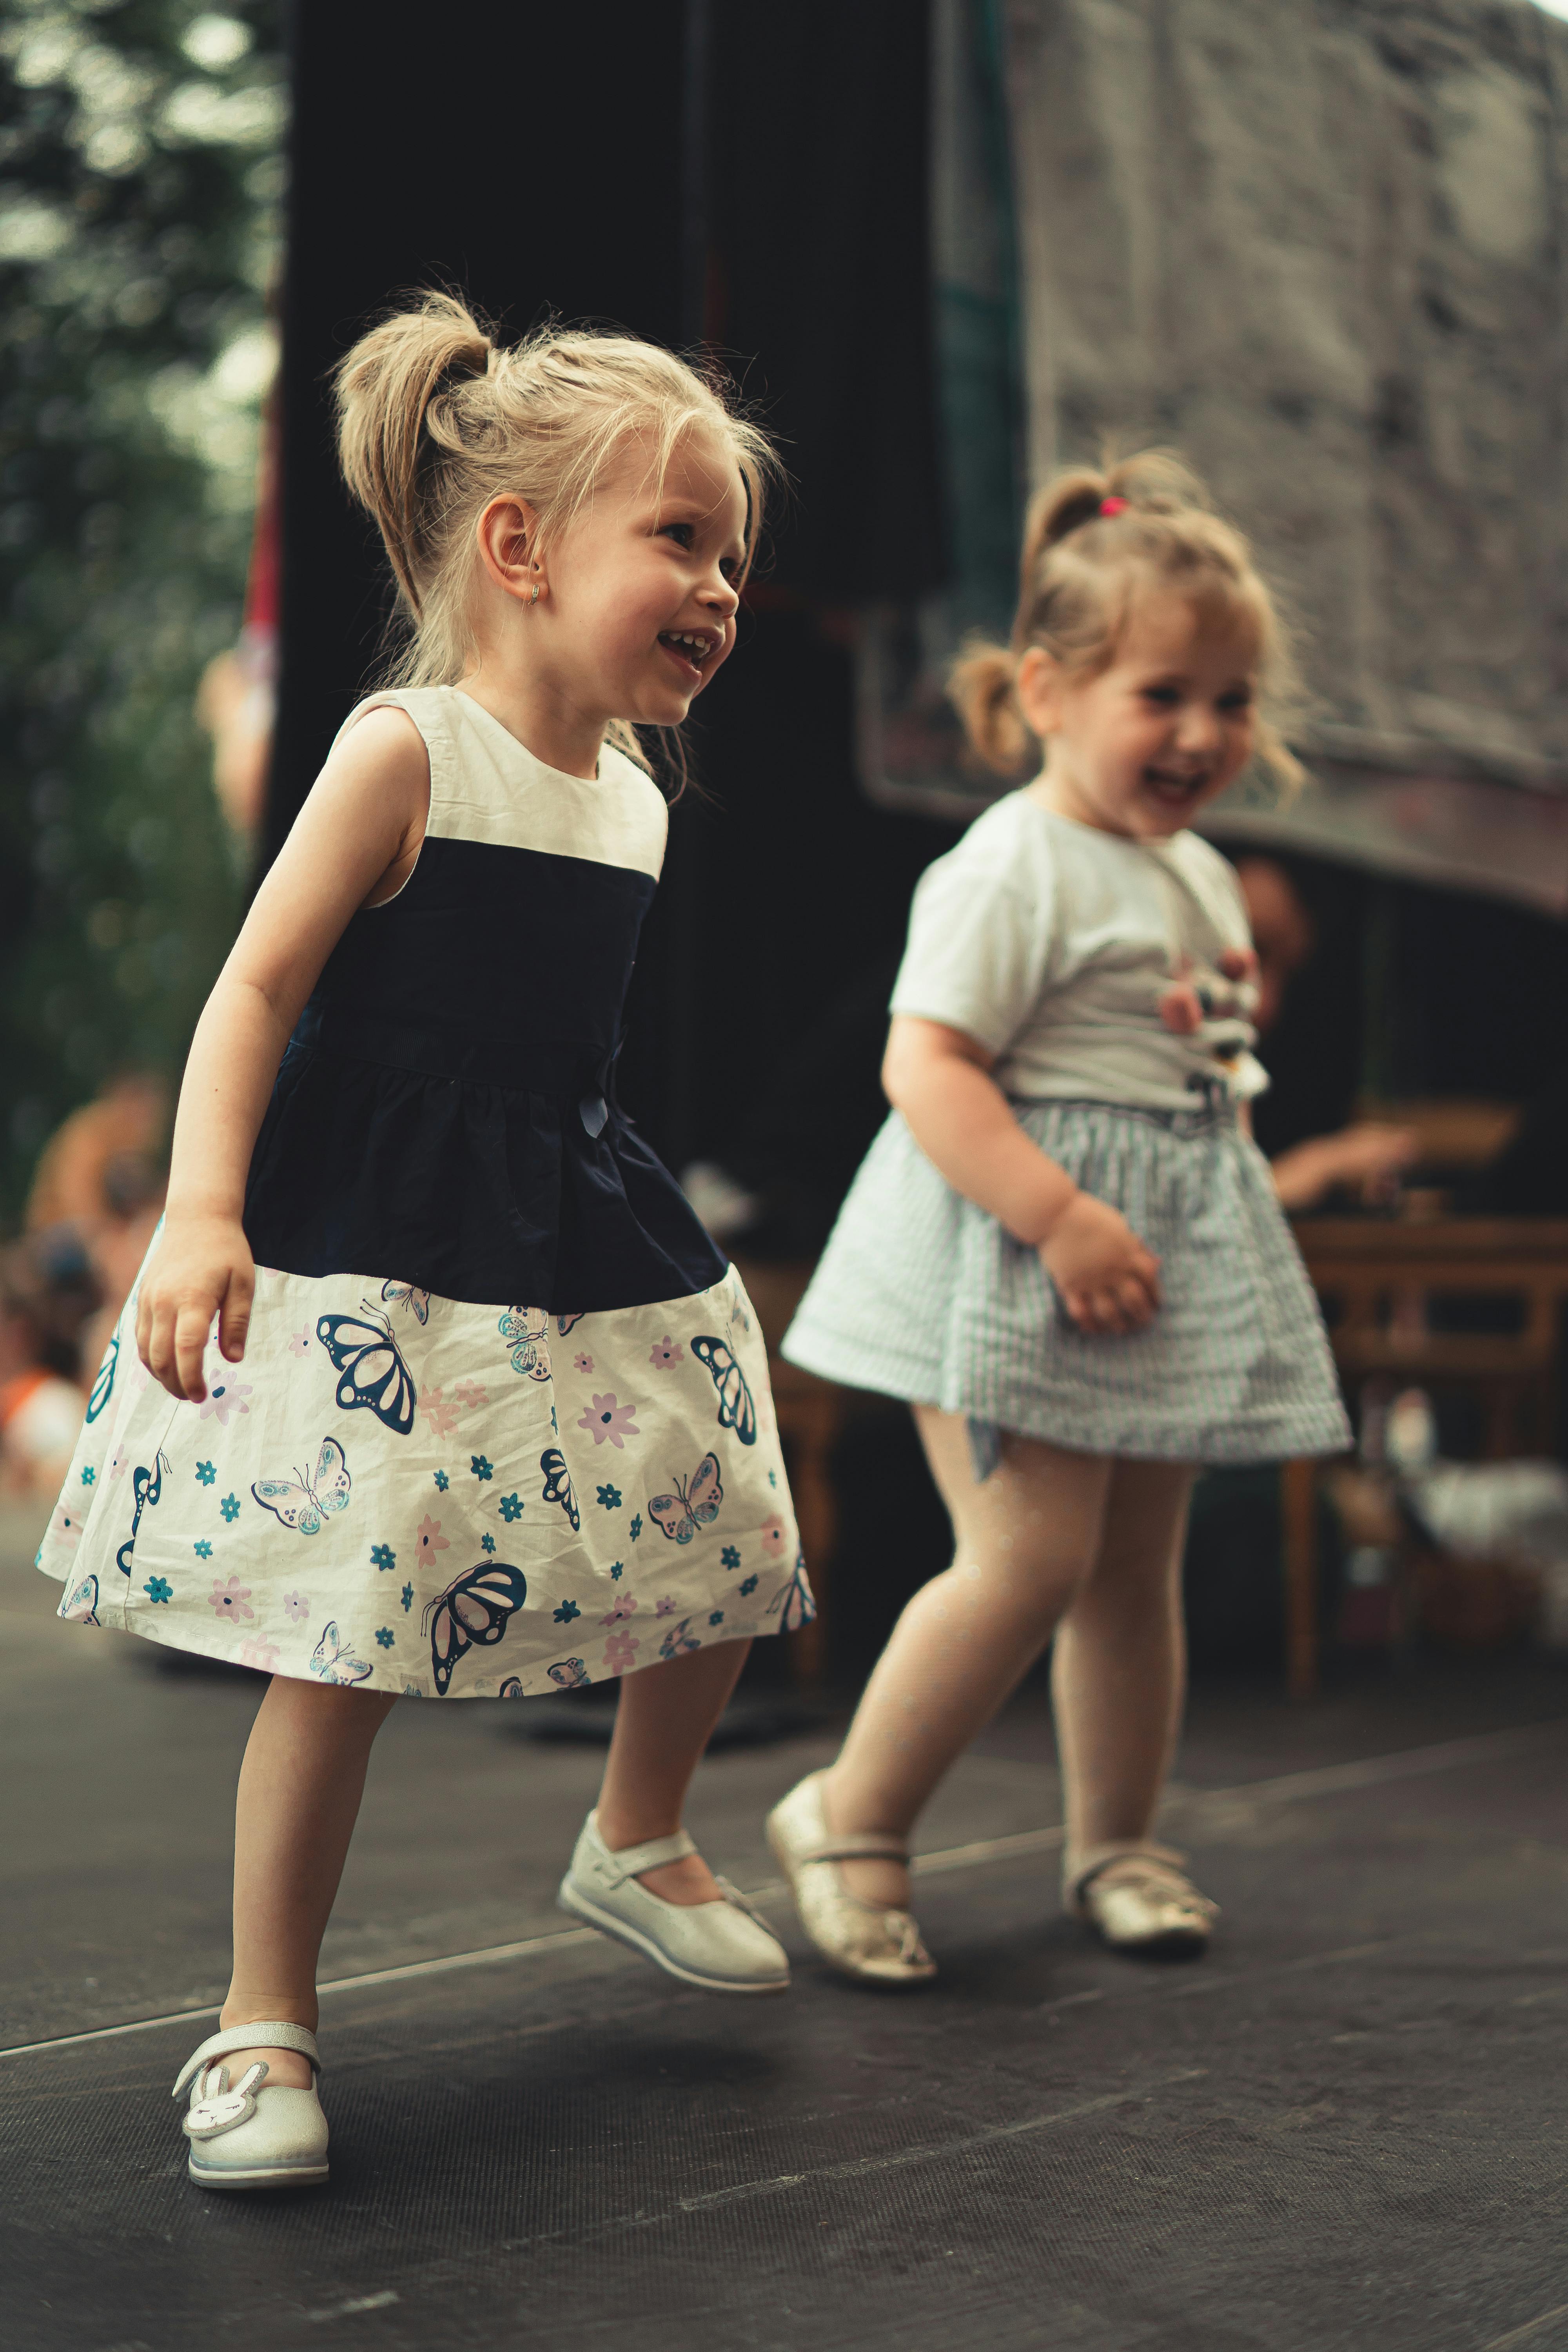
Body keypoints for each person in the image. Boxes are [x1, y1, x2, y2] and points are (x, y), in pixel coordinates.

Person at [36, 294, 811, 2190]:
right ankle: (259, 2026)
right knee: (349, 1637)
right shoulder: (407, 750)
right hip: (383, 1234)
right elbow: (255, 989)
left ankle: (636, 1832)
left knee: (731, 1499)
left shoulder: (631, 802)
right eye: (682, 540)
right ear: (520, 546)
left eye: (732, 557)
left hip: (570, 1204)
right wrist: (200, 1211)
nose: (720, 589)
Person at [771, 454, 1349, 1985]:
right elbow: (927, 1066)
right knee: (1025, 1562)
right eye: (1163, 695)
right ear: (1046, 692)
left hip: (1134, 1269)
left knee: (1133, 1571)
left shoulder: (1202, 875)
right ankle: (849, 1818)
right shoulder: (1014, 864)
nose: (1203, 733)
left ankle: (1119, 1846)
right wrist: (1063, 1216)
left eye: (1231, 701)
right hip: (1013, 1259)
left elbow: (1195, 1064)